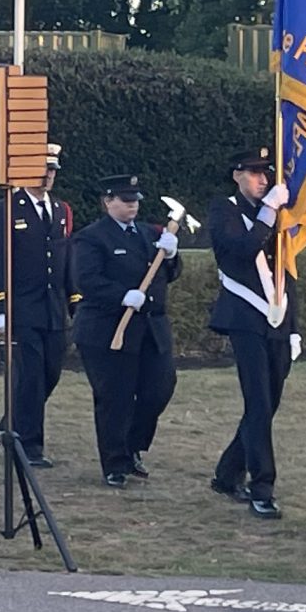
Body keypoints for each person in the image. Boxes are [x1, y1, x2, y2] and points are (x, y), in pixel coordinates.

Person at [69, 175, 180, 488]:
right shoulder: (91, 238)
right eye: (124, 199)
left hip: (150, 328)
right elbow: (87, 279)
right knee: (114, 397)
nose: (132, 204)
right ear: (108, 202)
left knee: (159, 388)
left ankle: (132, 445)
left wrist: (171, 258)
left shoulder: (149, 234)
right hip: (108, 329)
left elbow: (168, 274)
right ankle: (115, 463)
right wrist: (121, 295)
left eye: (135, 199)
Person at [207, 150, 300, 520]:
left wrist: (295, 327)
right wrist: (269, 213)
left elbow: (288, 272)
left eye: (266, 174)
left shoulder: (277, 214)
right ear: (237, 176)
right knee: (259, 402)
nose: (263, 180)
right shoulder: (224, 209)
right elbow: (242, 250)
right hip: (245, 318)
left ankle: (227, 473)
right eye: (255, 173)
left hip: (277, 319)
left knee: (269, 403)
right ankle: (262, 485)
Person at [0, 158, 72, 466]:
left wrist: (75, 301)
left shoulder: (59, 210)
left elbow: (64, 258)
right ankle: (30, 447)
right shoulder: (5, 208)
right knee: (30, 376)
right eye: (41, 170)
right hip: (22, 308)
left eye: (52, 171)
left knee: (51, 373)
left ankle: (11, 423)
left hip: (53, 309)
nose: (47, 176)